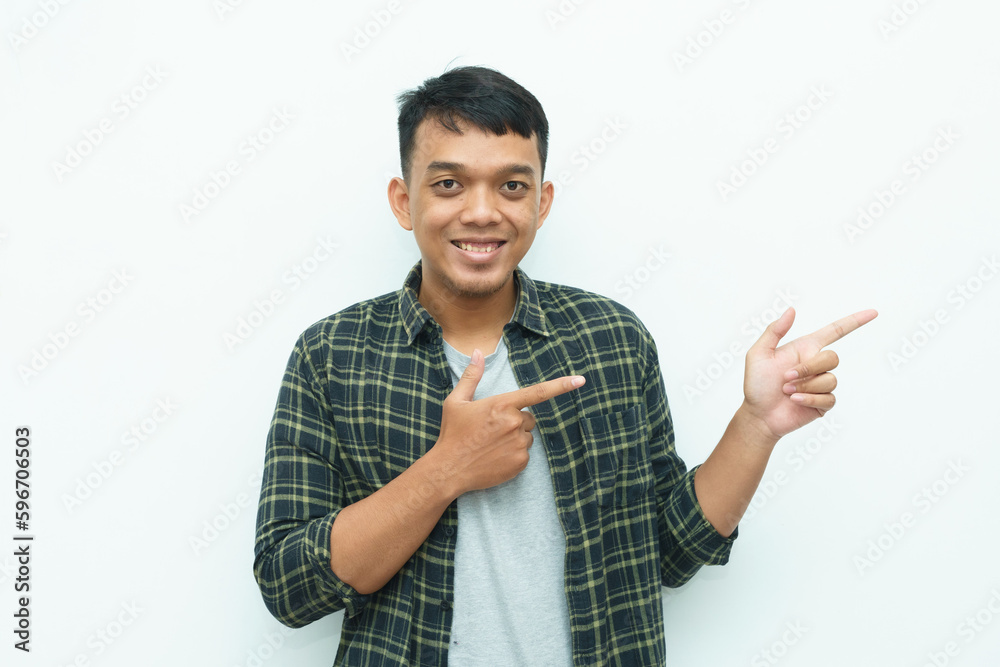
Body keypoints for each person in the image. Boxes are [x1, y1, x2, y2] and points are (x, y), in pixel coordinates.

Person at [252, 65, 877, 666]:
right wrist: (445, 470)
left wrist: (757, 424)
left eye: (511, 186)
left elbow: (669, 552)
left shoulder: (612, 338)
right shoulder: (331, 355)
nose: (481, 212)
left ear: (542, 201)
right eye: (448, 184)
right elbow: (289, 586)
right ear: (402, 200)